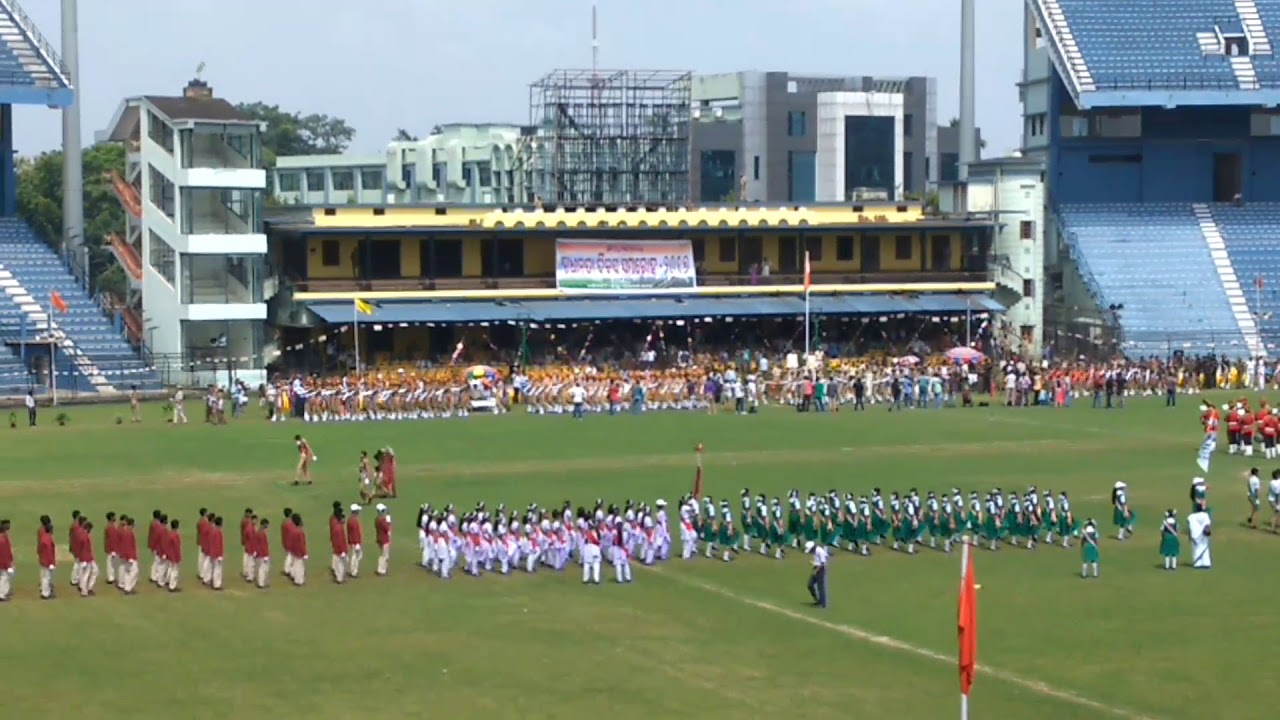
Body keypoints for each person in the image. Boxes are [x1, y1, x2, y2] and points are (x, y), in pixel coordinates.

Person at [76, 520, 98, 597]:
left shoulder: (81, 534)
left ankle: (87, 588)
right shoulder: (85, 536)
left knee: (94, 571)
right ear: (88, 528)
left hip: (84, 558)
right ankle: (84, 591)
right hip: (86, 558)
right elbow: (86, 549)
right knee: (86, 575)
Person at [118, 516, 139, 595]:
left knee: (127, 572)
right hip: (129, 556)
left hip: (124, 555)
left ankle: (127, 588)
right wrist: (130, 557)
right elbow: (129, 545)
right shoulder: (129, 533)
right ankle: (129, 588)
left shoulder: (124, 531)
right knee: (134, 571)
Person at [37, 516, 56, 600]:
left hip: (43, 557)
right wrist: (51, 563)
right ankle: (45, 593)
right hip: (47, 559)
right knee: (47, 577)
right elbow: (49, 552)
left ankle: (44, 589)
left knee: (44, 574)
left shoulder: (43, 534)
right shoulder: (47, 538)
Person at [805, 540, 828, 608]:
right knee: (810, 585)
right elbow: (818, 561)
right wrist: (813, 563)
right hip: (816, 568)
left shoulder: (819, 551)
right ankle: (817, 600)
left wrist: (816, 570)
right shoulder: (815, 551)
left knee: (821, 587)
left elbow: (823, 563)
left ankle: (823, 603)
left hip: (820, 570)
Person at [329, 507, 348, 583]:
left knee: (338, 563)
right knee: (341, 564)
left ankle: (338, 576)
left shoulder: (337, 526)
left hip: (337, 548)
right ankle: (340, 578)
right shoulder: (339, 528)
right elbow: (340, 540)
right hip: (340, 549)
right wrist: (342, 551)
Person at [346, 505, 364, 578]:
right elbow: (355, 533)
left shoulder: (350, 519)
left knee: (357, 556)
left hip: (353, 541)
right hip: (355, 542)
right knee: (355, 556)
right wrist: (357, 543)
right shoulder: (353, 520)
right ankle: (353, 571)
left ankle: (354, 570)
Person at [165, 519, 182, 592]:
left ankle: (167, 580)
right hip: (174, 556)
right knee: (174, 571)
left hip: (169, 554)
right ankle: (172, 586)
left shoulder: (169, 533)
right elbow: (177, 547)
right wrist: (178, 557)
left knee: (170, 568)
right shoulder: (175, 535)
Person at [253, 518, 271, 589]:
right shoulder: (262, 533)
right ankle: (261, 583)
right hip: (262, 554)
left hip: (258, 554)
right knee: (263, 569)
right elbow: (263, 545)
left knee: (261, 568)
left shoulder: (258, 532)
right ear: (264, 524)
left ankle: (261, 582)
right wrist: (265, 555)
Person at [375, 504, 392, 576]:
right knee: (385, 555)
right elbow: (387, 527)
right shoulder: (382, 519)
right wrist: (388, 519)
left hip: (379, 538)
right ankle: (382, 570)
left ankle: (381, 569)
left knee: (382, 555)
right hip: (384, 539)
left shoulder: (377, 519)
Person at [290, 514, 307, 586]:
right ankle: (299, 580)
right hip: (299, 552)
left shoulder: (293, 530)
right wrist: (304, 553)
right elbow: (302, 543)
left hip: (294, 550)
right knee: (299, 566)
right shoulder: (300, 532)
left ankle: (295, 577)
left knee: (296, 564)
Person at [208, 516, 225, 590]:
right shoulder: (218, 532)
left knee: (214, 568)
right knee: (218, 570)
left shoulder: (212, 531)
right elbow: (218, 544)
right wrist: (219, 555)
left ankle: (213, 582)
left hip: (212, 553)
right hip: (217, 554)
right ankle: (216, 585)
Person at [0, 520, 12, 601]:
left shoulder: (3, 537)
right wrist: (7, 565)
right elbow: (4, 553)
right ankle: (1, 595)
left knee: (4, 577)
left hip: (4, 561)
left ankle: (5, 591)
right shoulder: (2, 539)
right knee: (4, 577)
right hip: (3, 562)